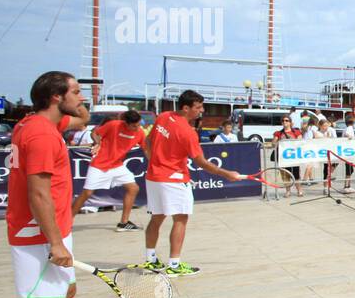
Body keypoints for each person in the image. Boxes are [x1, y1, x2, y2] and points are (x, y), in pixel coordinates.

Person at [5, 71, 92, 298]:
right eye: (75, 91)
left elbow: (83, 118)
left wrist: (77, 108)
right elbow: (38, 192)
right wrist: (55, 242)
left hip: (46, 230)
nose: (81, 97)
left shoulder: (35, 124)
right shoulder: (42, 134)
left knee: (65, 291)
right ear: (56, 96)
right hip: (39, 233)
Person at [143, 90, 244, 277]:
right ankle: (174, 265)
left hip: (153, 177)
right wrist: (227, 173)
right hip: (173, 180)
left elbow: (146, 142)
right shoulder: (188, 133)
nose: (202, 110)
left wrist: (154, 163)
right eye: (198, 107)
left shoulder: (163, 117)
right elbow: (201, 163)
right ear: (185, 108)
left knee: (156, 218)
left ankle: (150, 260)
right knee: (180, 219)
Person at [71, 109, 146, 230]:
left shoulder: (140, 133)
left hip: (117, 165)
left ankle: (124, 223)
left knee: (133, 188)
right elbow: (94, 133)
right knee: (87, 193)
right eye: (134, 126)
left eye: (138, 124)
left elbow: (146, 148)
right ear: (125, 123)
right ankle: (68, 220)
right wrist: (98, 143)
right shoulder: (114, 125)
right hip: (99, 164)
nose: (137, 128)